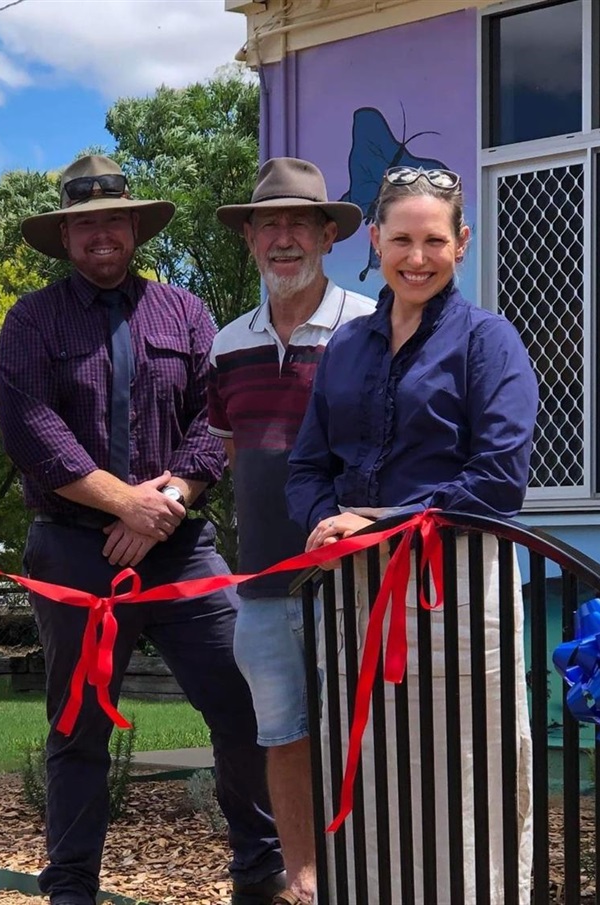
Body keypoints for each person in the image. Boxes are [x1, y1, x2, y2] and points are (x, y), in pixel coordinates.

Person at [0, 155, 286, 905]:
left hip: (180, 545)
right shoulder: (32, 320)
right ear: (65, 235)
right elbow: (31, 429)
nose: (101, 235)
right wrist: (125, 504)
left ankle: (262, 869)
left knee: (241, 702)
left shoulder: (185, 314)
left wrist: (166, 505)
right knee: (78, 725)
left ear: (134, 227)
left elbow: (212, 422)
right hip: (72, 547)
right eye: (84, 223)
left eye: (113, 220)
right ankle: (72, 887)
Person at [285, 165, 539, 904]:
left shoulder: (490, 341)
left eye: (434, 239)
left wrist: (380, 520)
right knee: (367, 782)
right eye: (402, 238)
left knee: (467, 787)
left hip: (455, 592)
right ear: (374, 241)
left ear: (462, 243)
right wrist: (326, 525)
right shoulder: (345, 347)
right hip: (356, 595)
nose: (417, 256)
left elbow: (500, 478)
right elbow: (307, 466)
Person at [209, 157, 376, 905]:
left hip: (354, 578)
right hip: (265, 578)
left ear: (326, 236)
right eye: (268, 222)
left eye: (299, 223)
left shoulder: (370, 329)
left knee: (363, 732)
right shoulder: (225, 345)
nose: (284, 238)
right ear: (248, 237)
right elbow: (224, 447)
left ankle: (369, 873)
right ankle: (305, 881)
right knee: (280, 731)